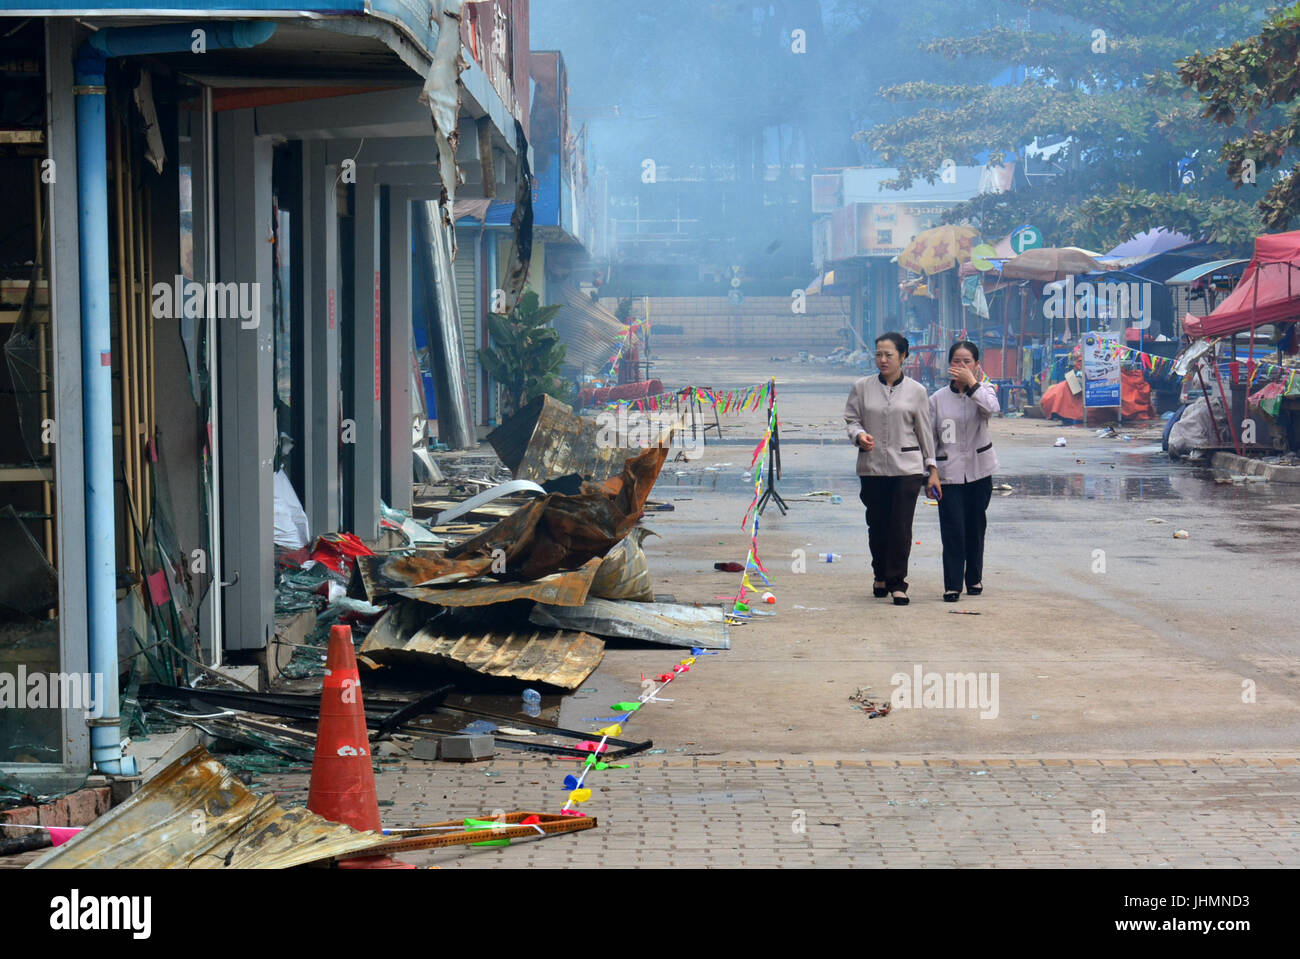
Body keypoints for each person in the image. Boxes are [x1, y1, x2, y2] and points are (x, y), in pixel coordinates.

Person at [844, 332, 941, 606]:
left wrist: (931, 469)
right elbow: (852, 420)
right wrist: (859, 436)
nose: (883, 359)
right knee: (877, 525)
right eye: (878, 354)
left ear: (903, 357)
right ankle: (880, 574)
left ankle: (898, 582)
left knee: (900, 526)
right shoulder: (861, 387)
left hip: (907, 469)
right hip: (872, 467)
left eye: (889, 355)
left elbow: (925, 432)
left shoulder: (917, 391)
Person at [929, 340, 999, 602]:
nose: (961, 366)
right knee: (952, 528)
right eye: (956, 361)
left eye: (967, 362)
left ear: (977, 365)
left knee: (975, 525)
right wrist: (931, 470)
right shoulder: (937, 399)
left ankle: (974, 577)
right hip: (949, 474)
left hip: (980, 471)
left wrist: (972, 384)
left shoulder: (985, 391)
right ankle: (952, 583)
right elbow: (930, 438)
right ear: (949, 365)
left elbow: (992, 409)